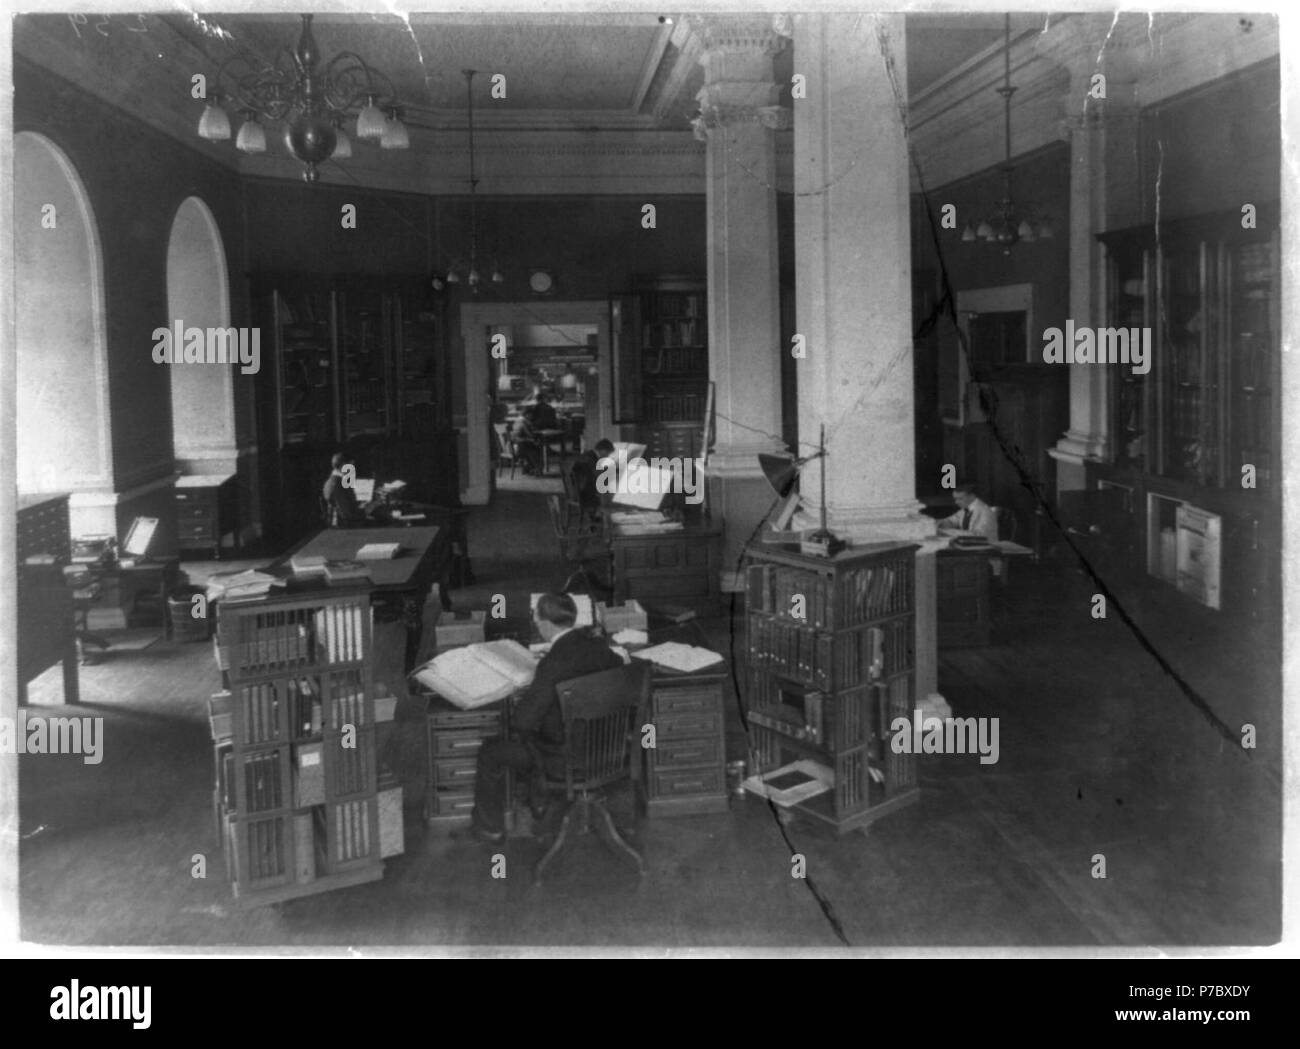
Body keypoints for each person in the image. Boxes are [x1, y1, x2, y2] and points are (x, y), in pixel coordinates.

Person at [454, 592, 623, 844]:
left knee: (491, 752)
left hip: (564, 757)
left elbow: (522, 722)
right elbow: (617, 666)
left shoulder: (553, 663)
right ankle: (538, 798)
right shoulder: (599, 646)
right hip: (608, 750)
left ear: (544, 623)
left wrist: (525, 696)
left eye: (536, 619)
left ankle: (489, 828)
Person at [322, 451, 376, 527]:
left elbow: (347, 507)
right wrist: (367, 509)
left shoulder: (334, 481)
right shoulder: (336, 484)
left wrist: (363, 506)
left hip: (344, 524)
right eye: (352, 465)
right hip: (345, 528)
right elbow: (347, 515)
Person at [568, 438, 615, 519]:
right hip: (583, 494)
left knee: (608, 490)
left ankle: (599, 517)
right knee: (610, 494)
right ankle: (600, 518)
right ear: (602, 450)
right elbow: (598, 475)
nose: (607, 456)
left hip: (578, 490)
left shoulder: (588, 455)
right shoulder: (591, 458)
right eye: (607, 453)